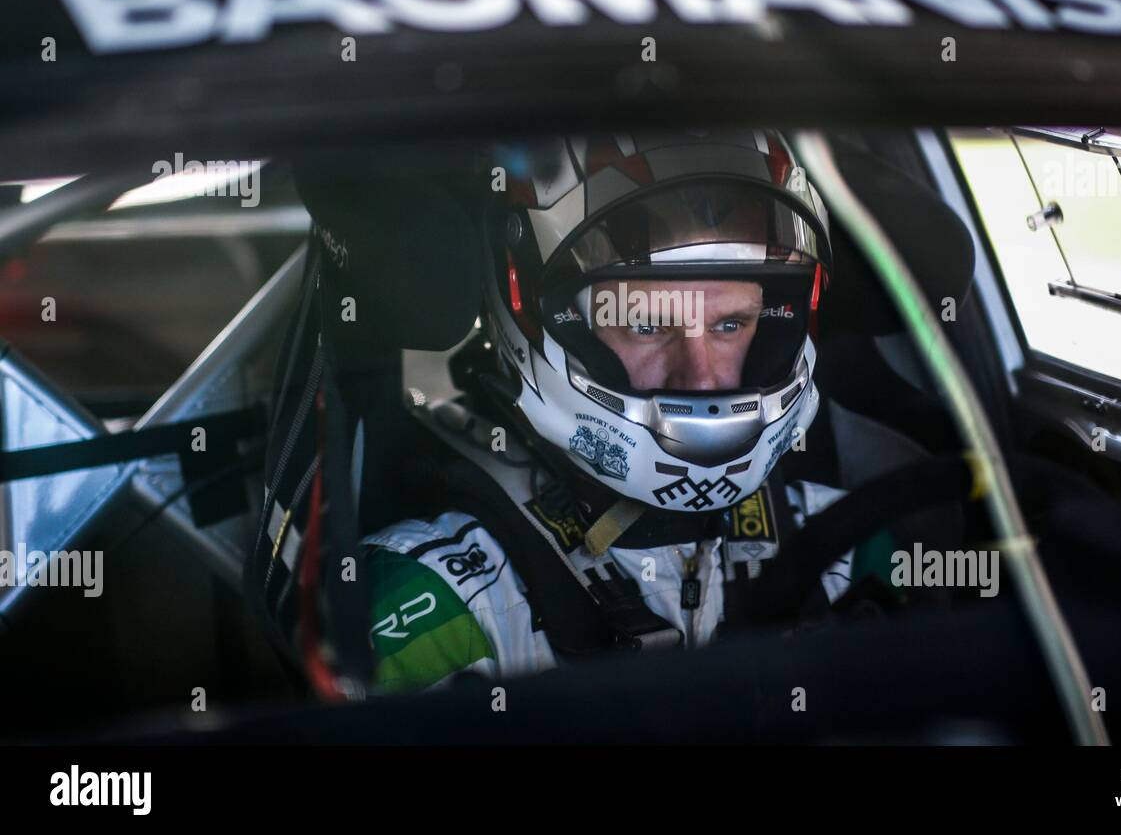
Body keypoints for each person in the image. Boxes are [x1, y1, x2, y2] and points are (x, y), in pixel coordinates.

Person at [361, 130, 859, 693]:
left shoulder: (849, 547)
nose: (701, 377)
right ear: (539, 316)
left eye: (730, 325)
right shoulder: (439, 603)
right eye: (646, 325)